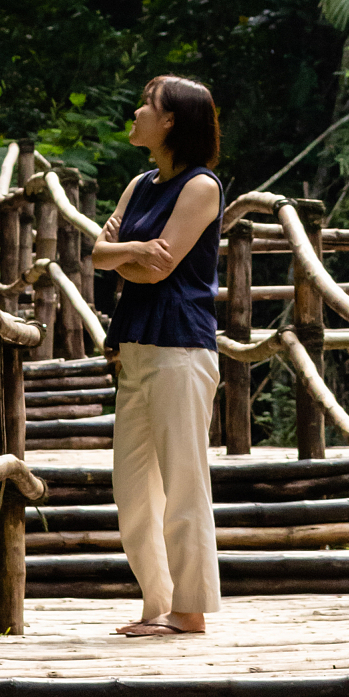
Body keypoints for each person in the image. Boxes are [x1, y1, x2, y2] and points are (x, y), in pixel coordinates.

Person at [93, 76, 225, 637]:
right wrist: (132, 253)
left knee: (182, 481)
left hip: (180, 347)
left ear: (171, 121)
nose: (138, 111)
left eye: (148, 105)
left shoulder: (201, 187)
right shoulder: (140, 183)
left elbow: (161, 267)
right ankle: (158, 602)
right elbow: (101, 254)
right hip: (134, 348)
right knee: (132, 487)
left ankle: (189, 610)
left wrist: (130, 257)